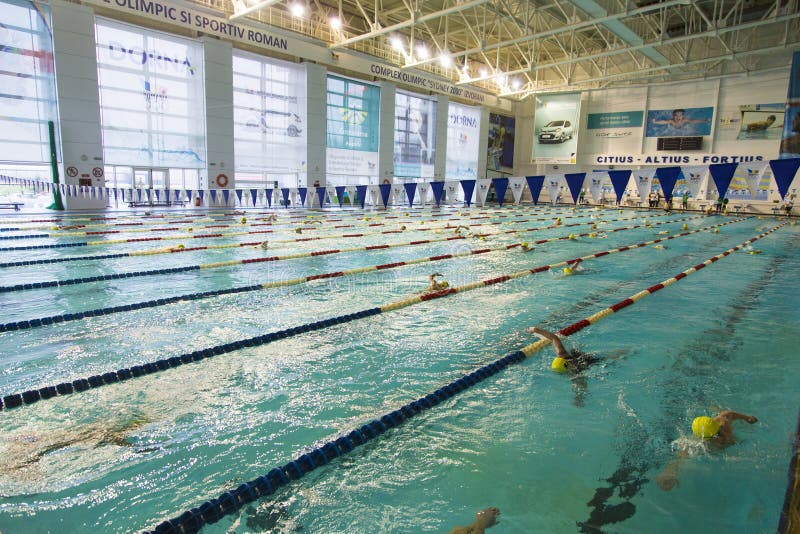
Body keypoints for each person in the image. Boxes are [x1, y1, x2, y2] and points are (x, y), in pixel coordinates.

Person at [656, 411, 758, 491]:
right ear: (704, 438)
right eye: (717, 434)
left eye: (719, 430)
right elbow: (680, 458)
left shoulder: (723, 422)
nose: (721, 434)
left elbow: (729, 413)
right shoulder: (699, 444)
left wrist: (747, 418)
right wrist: (668, 473)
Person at [527, 326, 601, 407]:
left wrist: (579, 398)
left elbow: (581, 385)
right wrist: (536, 330)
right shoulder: (562, 355)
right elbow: (553, 338)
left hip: (586, 363)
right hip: (580, 358)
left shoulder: (572, 370)